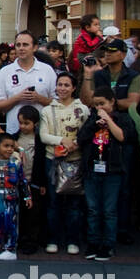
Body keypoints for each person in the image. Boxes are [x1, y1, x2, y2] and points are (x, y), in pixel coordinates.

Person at [76, 89, 135, 262]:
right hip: (92, 170)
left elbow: (122, 137)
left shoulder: (122, 119)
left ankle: (108, 244)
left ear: (112, 102)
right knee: (93, 209)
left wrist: (108, 120)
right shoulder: (92, 119)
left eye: (102, 104)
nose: (99, 108)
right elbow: (81, 138)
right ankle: (93, 243)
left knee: (109, 210)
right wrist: (95, 123)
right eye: (96, 105)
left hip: (113, 171)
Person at [39, 72, 89, 254]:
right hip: (52, 160)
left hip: (75, 160)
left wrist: (76, 145)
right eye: (60, 85)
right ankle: (53, 239)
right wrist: (62, 141)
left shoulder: (83, 109)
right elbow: (44, 135)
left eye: (67, 85)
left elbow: (86, 133)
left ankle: (73, 240)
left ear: (74, 88)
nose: (62, 88)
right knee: (53, 202)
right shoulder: (47, 110)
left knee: (74, 203)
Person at [0, 32, 57, 134]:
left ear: (35, 47)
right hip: (14, 132)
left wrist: (39, 98)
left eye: (25, 45)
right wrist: (17, 98)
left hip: (43, 132)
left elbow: (57, 104)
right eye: (18, 45)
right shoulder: (5, 72)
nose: (21, 48)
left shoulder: (47, 70)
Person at [0, 131, 29, 260]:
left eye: (11, 146)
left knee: (10, 223)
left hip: (12, 199)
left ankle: (10, 248)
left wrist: (27, 196)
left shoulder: (16, 164)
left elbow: (23, 180)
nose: (9, 149)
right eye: (6, 146)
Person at [14, 105, 47, 254]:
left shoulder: (39, 140)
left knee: (34, 213)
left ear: (35, 123)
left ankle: (33, 240)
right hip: (18, 183)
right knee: (20, 212)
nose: (23, 126)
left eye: (26, 123)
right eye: (20, 122)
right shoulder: (14, 139)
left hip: (33, 181)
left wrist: (41, 183)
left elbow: (42, 163)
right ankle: (20, 239)